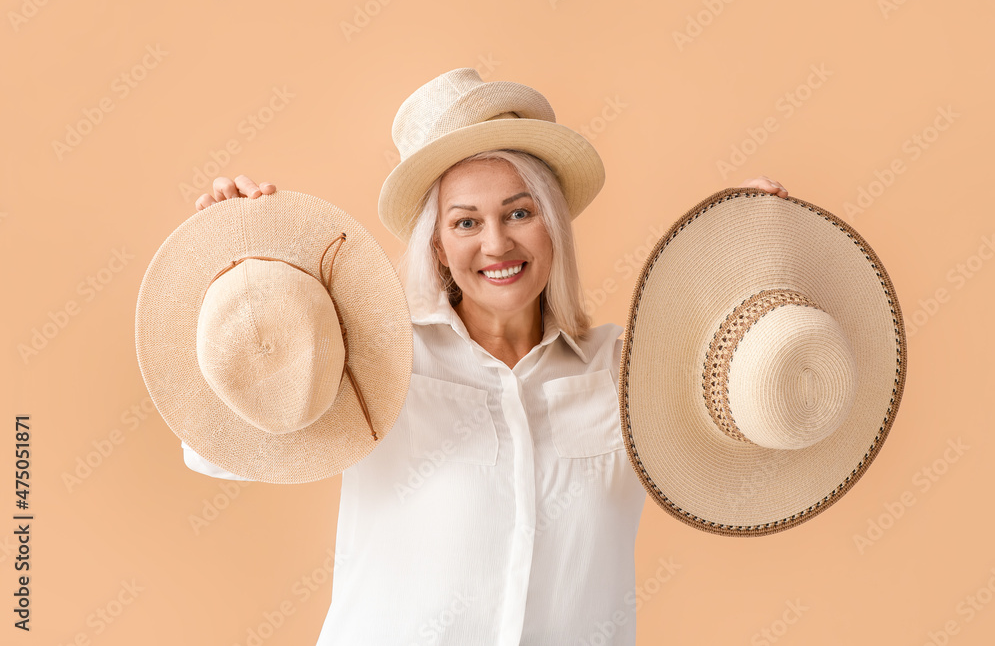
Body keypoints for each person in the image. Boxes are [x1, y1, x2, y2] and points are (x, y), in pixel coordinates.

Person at [184, 71, 787, 645]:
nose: (497, 243)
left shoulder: (623, 374)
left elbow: (748, 423)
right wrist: (238, 273)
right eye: (466, 221)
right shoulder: (374, 360)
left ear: (552, 224)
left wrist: (742, 251)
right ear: (440, 248)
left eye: (519, 213)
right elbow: (221, 448)